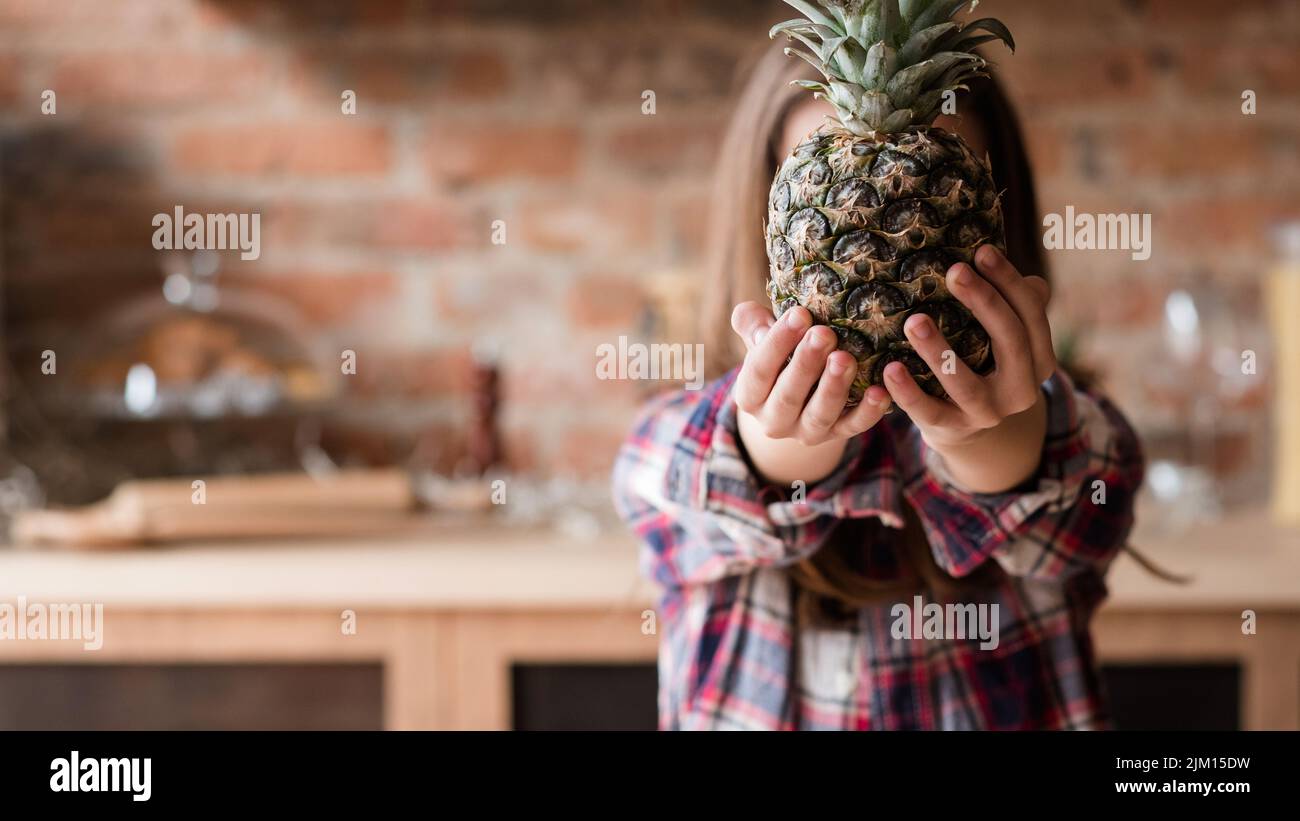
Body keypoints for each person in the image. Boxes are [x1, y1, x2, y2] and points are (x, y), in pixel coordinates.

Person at [611, 42, 1145, 730]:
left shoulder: (1074, 438)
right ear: (774, 219)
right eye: (839, 191)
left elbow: (1088, 500)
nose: (884, 231)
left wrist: (996, 438)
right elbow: (672, 485)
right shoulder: (677, 443)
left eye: (923, 196)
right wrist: (776, 439)